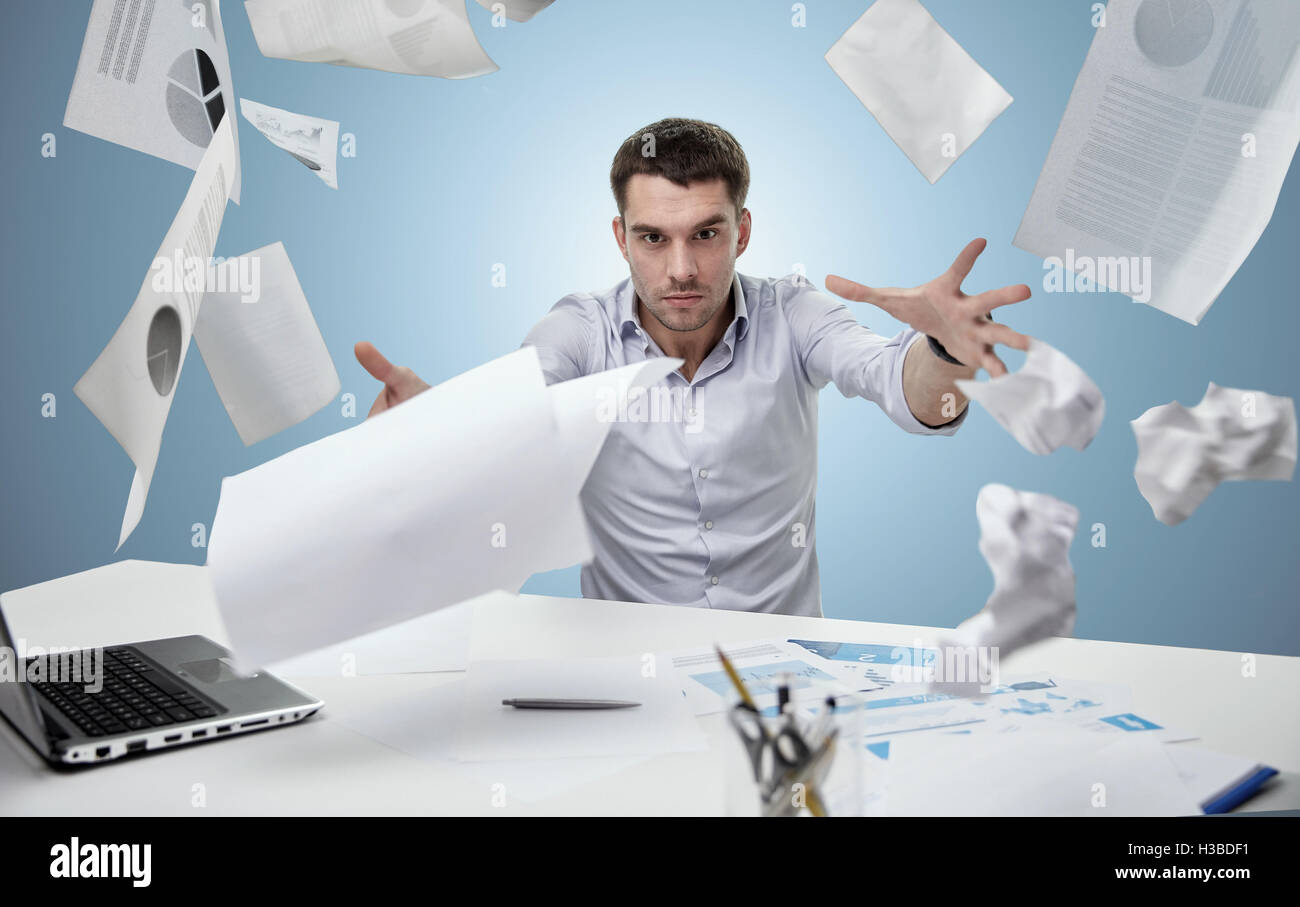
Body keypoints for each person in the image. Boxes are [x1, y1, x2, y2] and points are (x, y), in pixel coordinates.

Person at [355, 117, 1031, 616]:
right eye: (653, 238)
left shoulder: (794, 316)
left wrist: (943, 351)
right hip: (625, 679)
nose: (680, 269)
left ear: (742, 230)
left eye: (706, 234)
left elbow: (899, 385)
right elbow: (511, 421)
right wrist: (436, 425)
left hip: (785, 677)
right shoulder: (579, 333)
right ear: (621, 238)